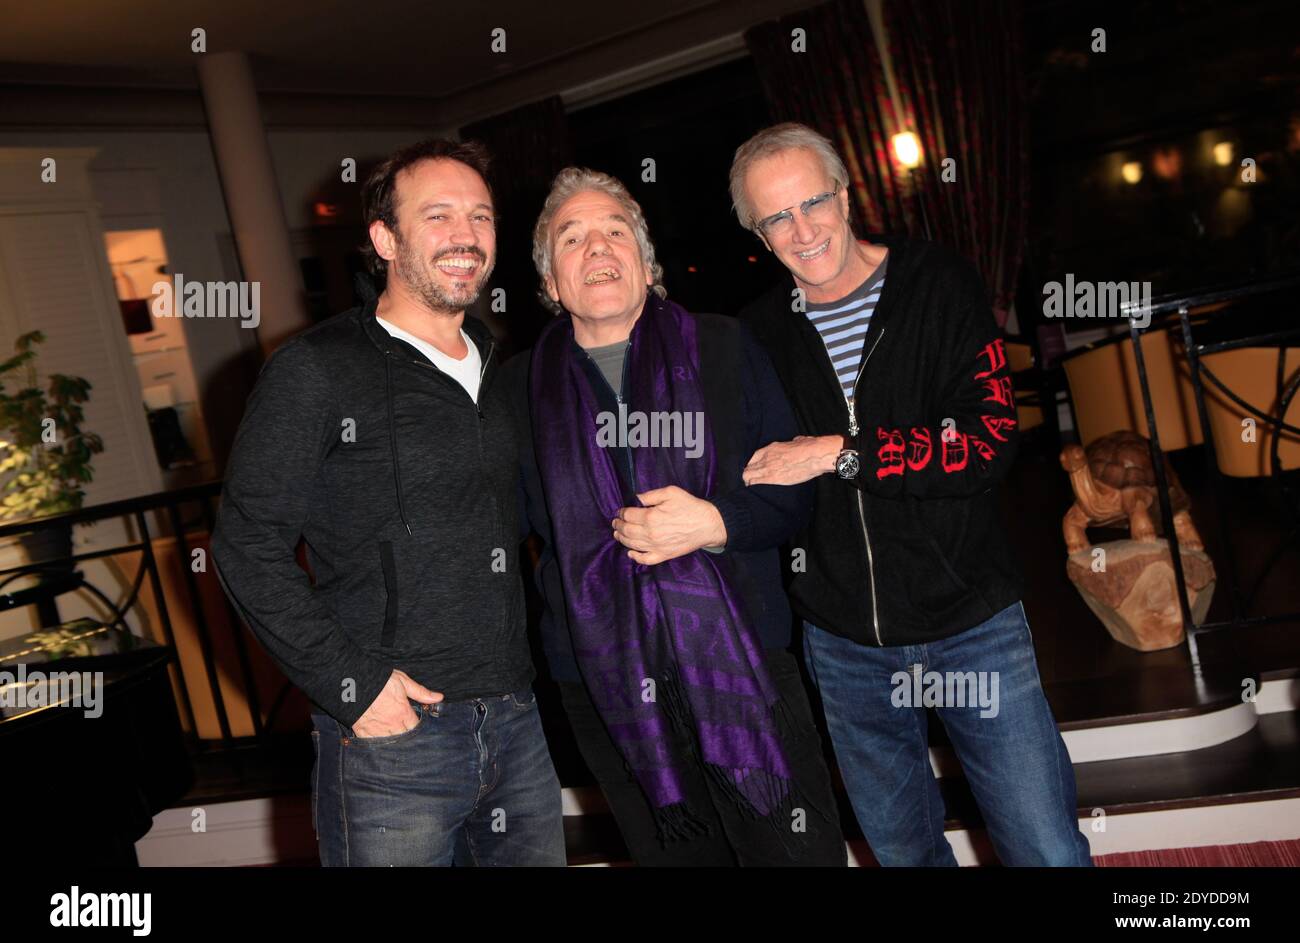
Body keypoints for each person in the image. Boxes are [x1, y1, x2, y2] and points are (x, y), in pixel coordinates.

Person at [730, 122, 1093, 866]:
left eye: (813, 203)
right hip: (842, 642)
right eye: (777, 218)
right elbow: (749, 472)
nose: (802, 230)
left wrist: (842, 453)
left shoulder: (938, 283)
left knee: (1044, 847)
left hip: (971, 622)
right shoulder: (757, 335)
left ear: (845, 193)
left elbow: (987, 441)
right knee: (904, 857)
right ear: (758, 234)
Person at [212, 138, 564, 867]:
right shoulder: (316, 371)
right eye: (437, 216)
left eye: (481, 217)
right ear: (384, 238)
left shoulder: (501, 364)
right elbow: (247, 546)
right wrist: (357, 687)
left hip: (516, 721)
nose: (466, 237)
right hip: (393, 743)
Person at [502, 166, 845, 865]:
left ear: (646, 258)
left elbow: (793, 493)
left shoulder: (723, 345)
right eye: (573, 238)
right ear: (550, 279)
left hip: (746, 660)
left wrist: (715, 523)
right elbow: (496, 531)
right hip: (605, 682)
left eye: (614, 231)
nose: (597, 248)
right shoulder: (513, 390)